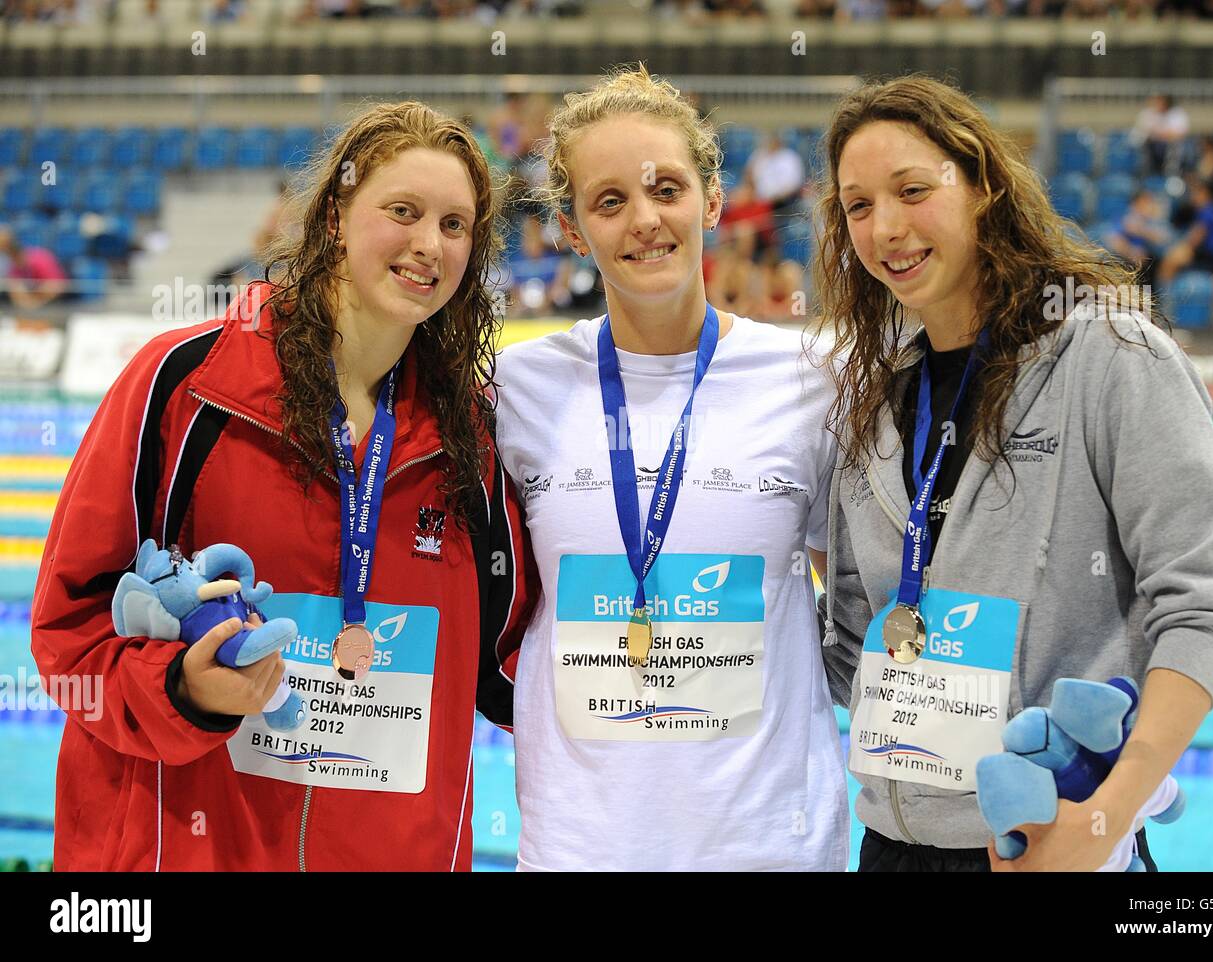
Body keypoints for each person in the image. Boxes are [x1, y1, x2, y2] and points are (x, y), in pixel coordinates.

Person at [30, 102, 534, 871]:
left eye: (455, 225)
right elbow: (72, 632)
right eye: (403, 211)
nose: (429, 244)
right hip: (189, 849)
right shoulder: (185, 386)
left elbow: (512, 670)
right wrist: (181, 691)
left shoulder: (471, 434)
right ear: (335, 216)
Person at [815, 75, 1213, 872]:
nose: (886, 227)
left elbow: (1207, 602)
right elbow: (853, 641)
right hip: (893, 846)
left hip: (1051, 845)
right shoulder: (872, 403)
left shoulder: (1111, 358)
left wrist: (1104, 819)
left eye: (912, 190)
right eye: (857, 206)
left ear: (983, 185)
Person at [493, 65, 848, 871]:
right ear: (573, 230)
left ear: (713, 201)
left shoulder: (810, 380)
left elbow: (861, 602)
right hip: (581, 849)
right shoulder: (520, 389)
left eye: (666, 189)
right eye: (609, 201)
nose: (644, 220)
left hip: (771, 847)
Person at [0, 225, 69, 309]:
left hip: (54, 304)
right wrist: (27, 303)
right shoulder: (12, 264)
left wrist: (35, 303)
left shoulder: (39, 257)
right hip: (28, 306)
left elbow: (57, 285)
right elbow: (15, 287)